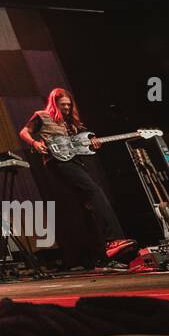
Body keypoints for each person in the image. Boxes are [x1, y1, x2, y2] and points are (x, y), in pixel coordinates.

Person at [19, 88, 135, 269]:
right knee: (94, 191)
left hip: (75, 162)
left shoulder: (72, 123)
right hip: (57, 161)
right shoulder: (41, 116)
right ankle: (113, 239)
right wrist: (35, 143)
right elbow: (24, 132)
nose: (66, 108)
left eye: (68, 105)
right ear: (54, 103)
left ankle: (103, 259)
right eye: (62, 105)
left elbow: (85, 141)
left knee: (87, 208)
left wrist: (94, 142)